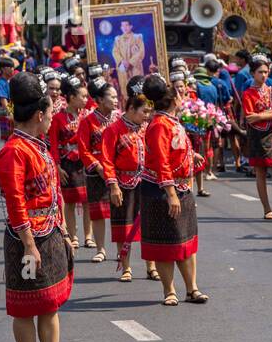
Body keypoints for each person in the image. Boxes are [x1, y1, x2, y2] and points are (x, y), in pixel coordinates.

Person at [0, 73, 74, 342]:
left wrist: (65, 231)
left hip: (51, 234)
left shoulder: (39, 147)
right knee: (25, 307)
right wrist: (29, 245)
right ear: (40, 114)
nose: (53, 117)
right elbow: (15, 202)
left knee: (49, 305)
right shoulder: (14, 151)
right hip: (26, 241)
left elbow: (55, 192)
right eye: (51, 112)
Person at [141, 75, 208, 305]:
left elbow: (174, 149)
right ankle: (169, 291)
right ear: (173, 99)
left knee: (185, 240)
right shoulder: (159, 124)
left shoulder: (170, 121)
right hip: (162, 191)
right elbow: (161, 161)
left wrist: (191, 155)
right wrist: (170, 194)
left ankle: (192, 289)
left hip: (181, 187)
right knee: (165, 244)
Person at [101, 79, 152, 282]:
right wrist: (113, 186)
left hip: (146, 183)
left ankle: (152, 266)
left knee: (149, 226)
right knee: (124, 227)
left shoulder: (147, 128)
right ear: (131, 108)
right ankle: (126, 267)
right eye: (144, 112)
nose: (147, 116)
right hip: (124, 184)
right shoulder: (113, 130)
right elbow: (106, 160)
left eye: (149, 112)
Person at [241, 54, 272, 221]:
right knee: (260, 172)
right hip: (256, 135)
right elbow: (249, 117)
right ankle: (267, 208)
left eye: (266, 72)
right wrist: (270, 114)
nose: (264, 75)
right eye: (260, 72)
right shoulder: (248, 94)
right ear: (253, 73)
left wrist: (262, 115)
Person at [50, 76, 92, 250]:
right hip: (67, 163)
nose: (86, 100)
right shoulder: (58, 118)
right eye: (82, 96)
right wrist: (57, 167)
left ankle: (88, 236)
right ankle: (73, 235)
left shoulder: (88, 116)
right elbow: (53, 143)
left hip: (85, 162)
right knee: (71, 200)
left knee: (88, 200)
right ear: (72, 97)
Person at [78, 79, 118, 263]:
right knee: (99, 212)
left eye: (117, 97)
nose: (116, 100)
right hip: (96, 173)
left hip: (117, 171)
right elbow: (83, 149)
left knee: (120, 212)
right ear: (100, 100)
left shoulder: (119, 119)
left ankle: (121, 251)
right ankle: (100, 248)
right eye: (112, 96)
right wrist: (98, 166)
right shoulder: (88, 121)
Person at [0, 58, 16, 140]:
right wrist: (10, 113)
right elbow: (3, 100)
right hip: (6, 112)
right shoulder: (1, 83)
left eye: (13, 67)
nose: (12, 69)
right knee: (9, 138)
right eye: (10, 67)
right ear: (3, 69)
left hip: (11, 110)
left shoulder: (9, 81)